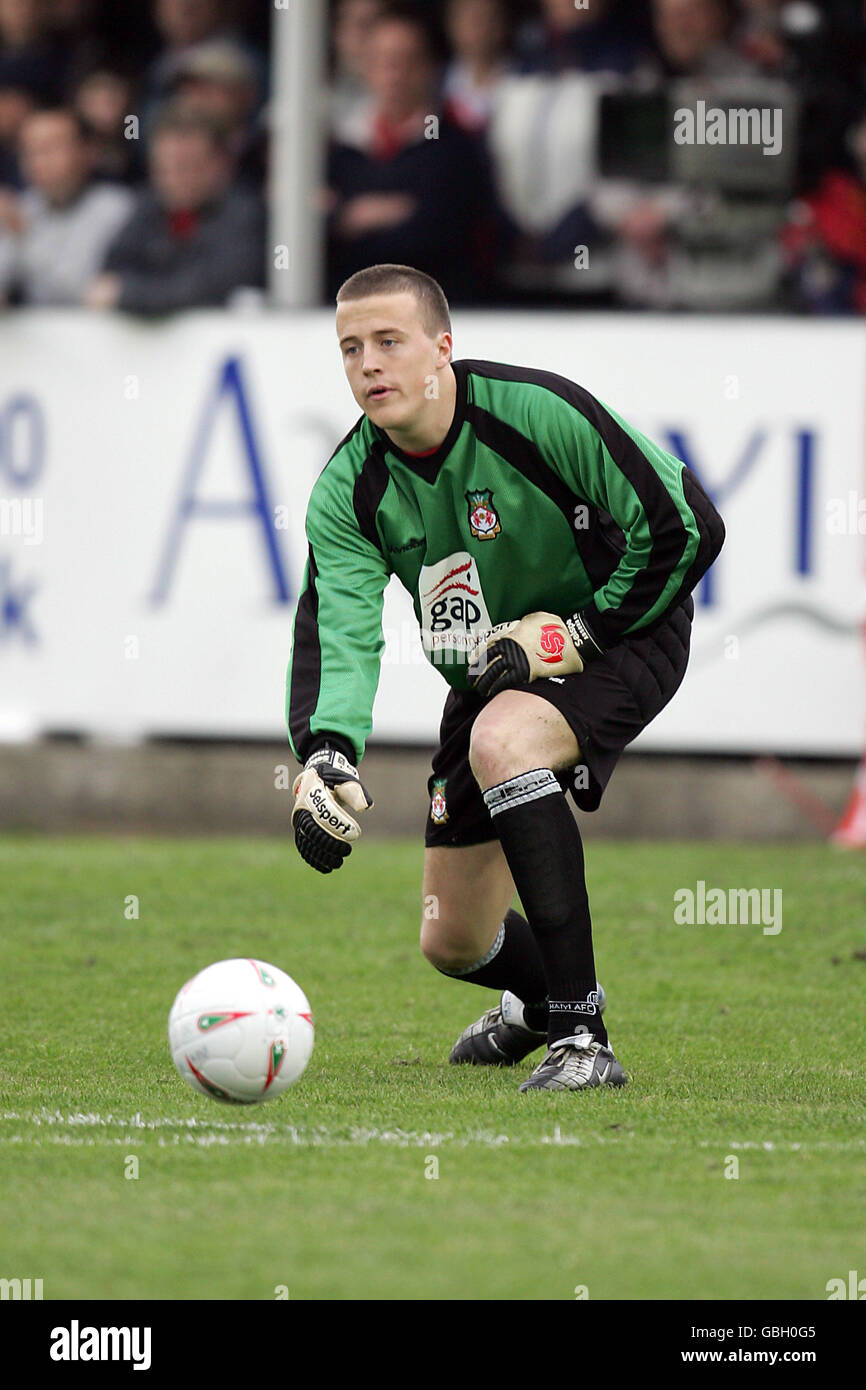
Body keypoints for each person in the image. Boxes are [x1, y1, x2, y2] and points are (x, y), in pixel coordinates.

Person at [286, 262, 725, 1092]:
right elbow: (339, 630)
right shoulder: (348, 491)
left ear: (442, 350)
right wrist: (326, 753)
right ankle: (534, 1003)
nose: (368, 365)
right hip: (496, 668)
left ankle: (583, 1038)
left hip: (626, 628)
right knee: (452, 938)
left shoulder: (535, 411)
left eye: (389, 341)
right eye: (350, 349)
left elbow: (686, 525)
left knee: (505, 737)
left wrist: (581, 632)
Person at [84, 102, 264, 313]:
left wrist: (128, 294)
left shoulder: (244, 215)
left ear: (221, 163)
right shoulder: (147, 206)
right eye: (163, 168)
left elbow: (211, 288)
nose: (174, 179)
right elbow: (112, 273)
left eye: (187, 166)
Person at [0, 105, 133, 305]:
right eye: (30, 151)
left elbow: (83, 292)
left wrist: (24, 239)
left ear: (87, 151)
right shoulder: (25, 207)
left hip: (93, 331)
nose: (38, 160)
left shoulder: (115, 209)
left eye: (50, 148)